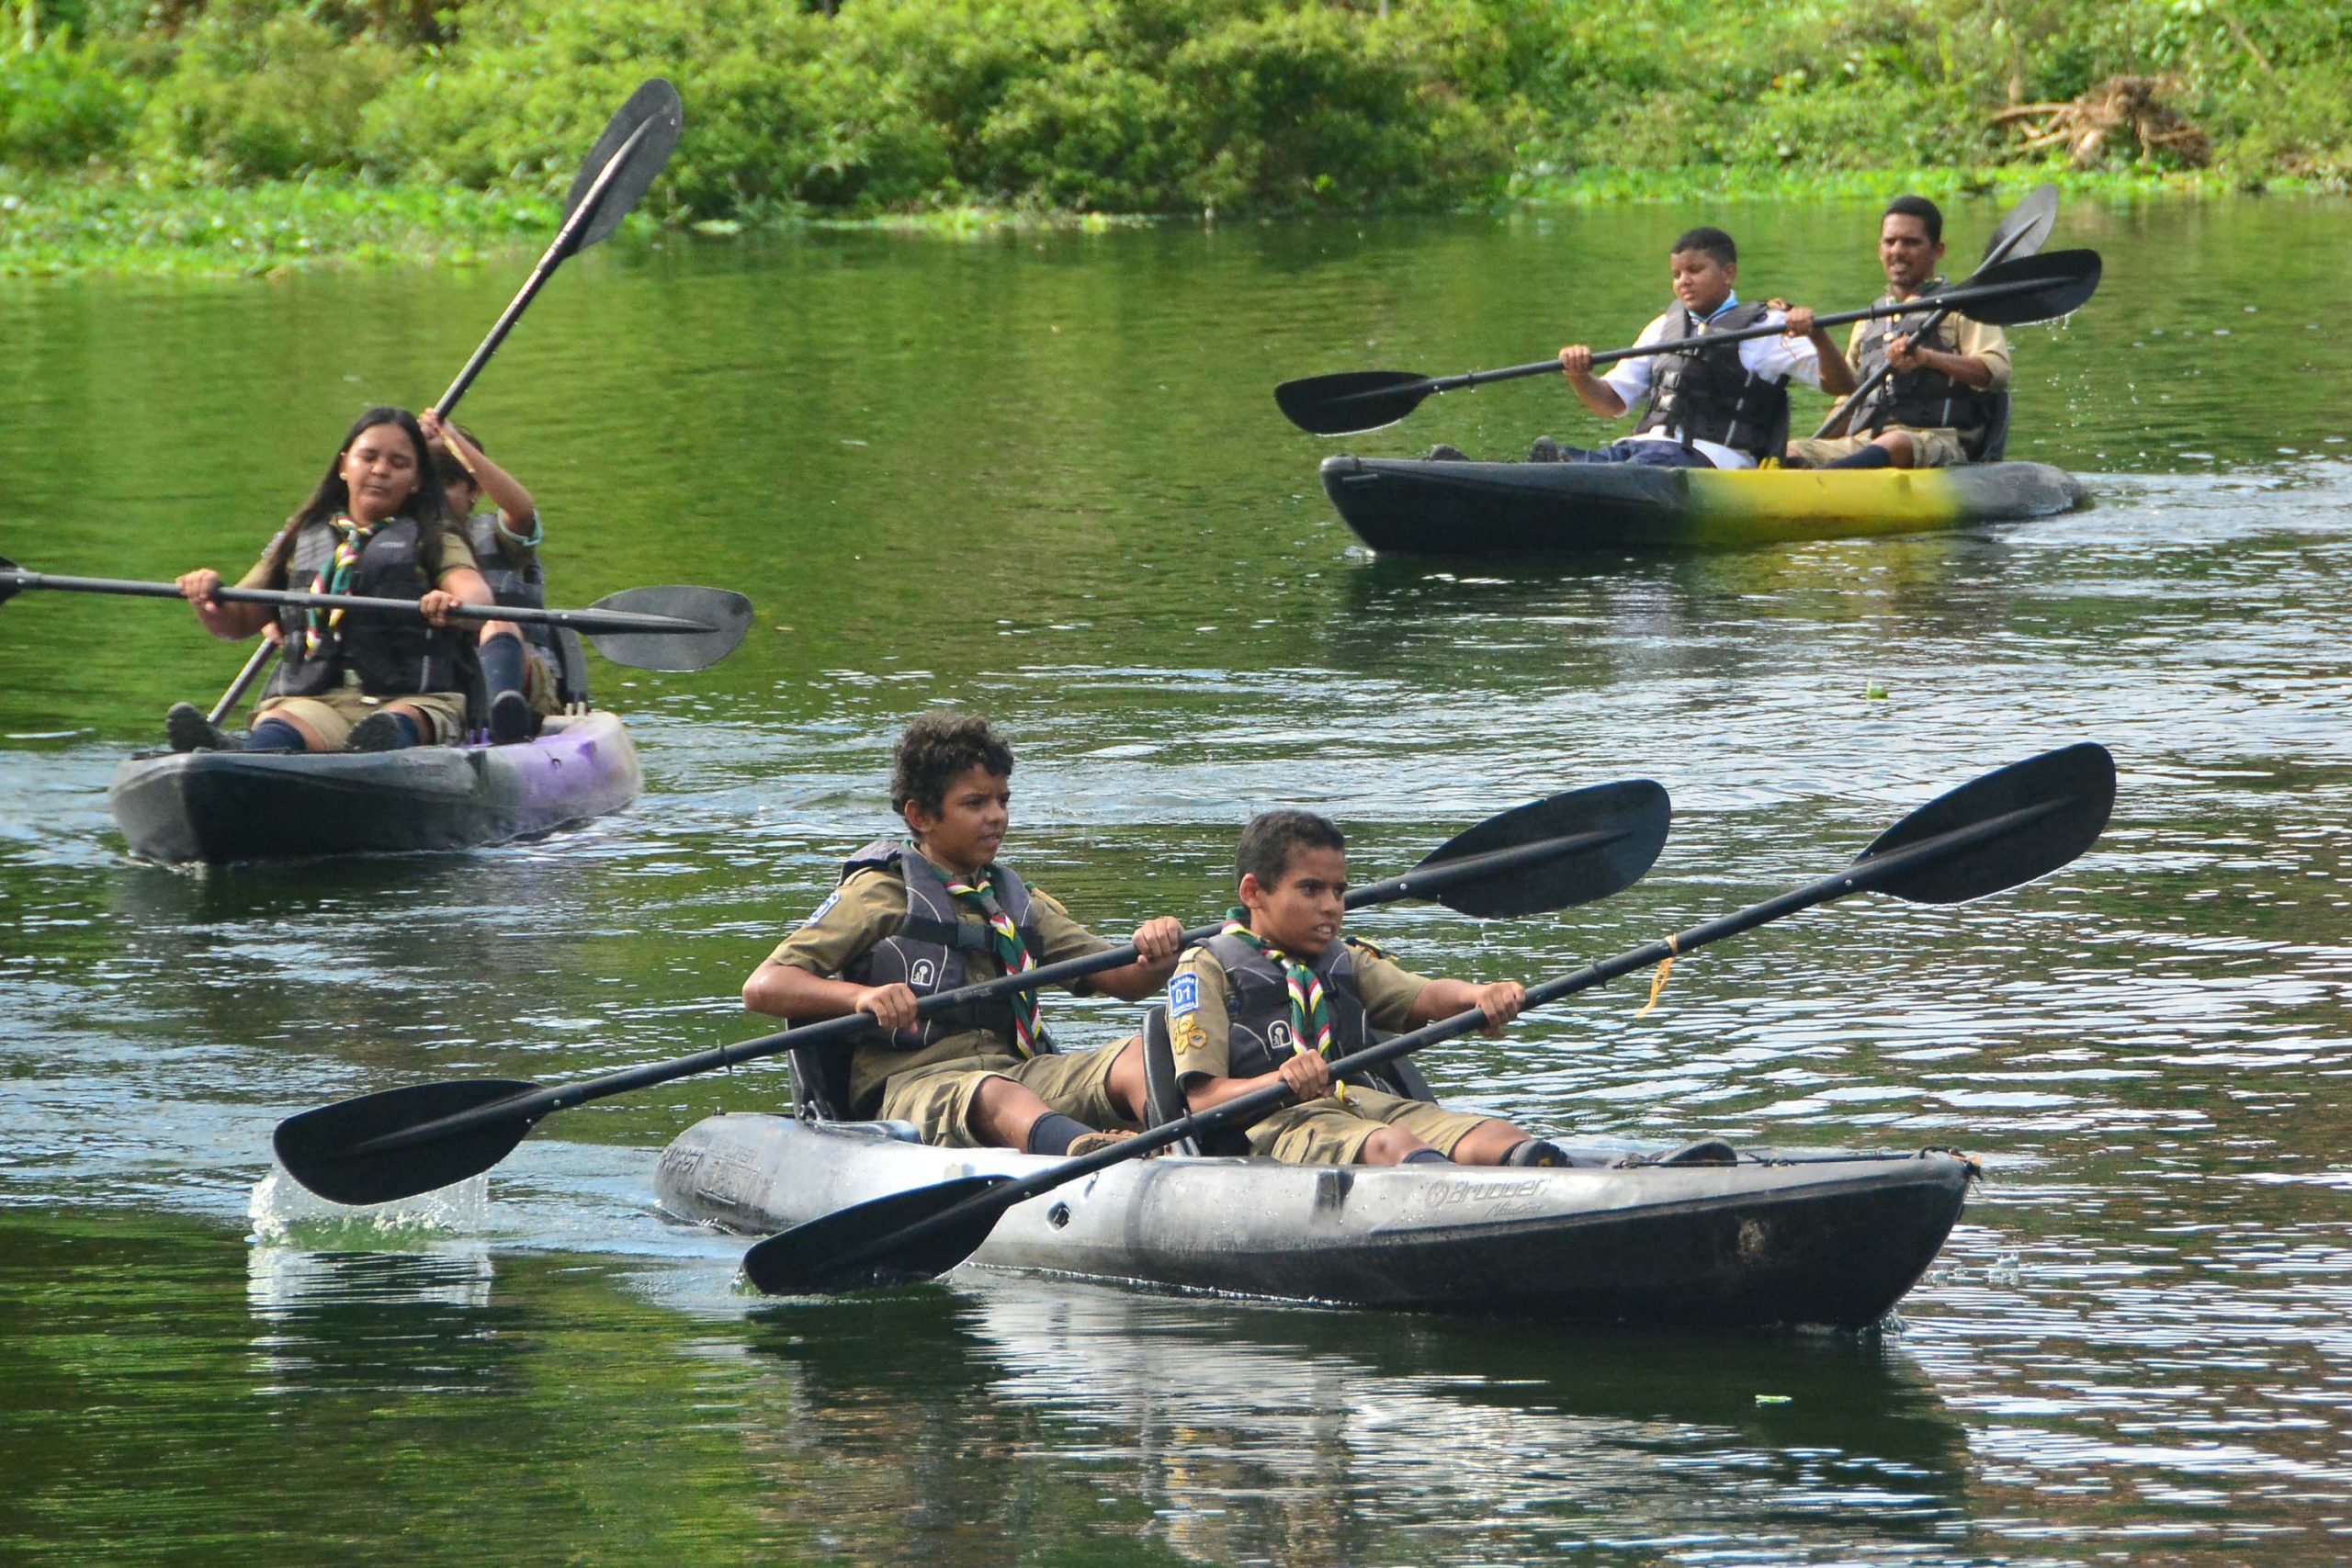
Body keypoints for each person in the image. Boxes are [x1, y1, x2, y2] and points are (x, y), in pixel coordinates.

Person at [741, 712, 1184, 1156]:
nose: (996, 817)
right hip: (912, 1090)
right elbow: (764, 986)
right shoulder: (878, 893)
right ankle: (1090, 1152)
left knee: (1135, 1059)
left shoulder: (1014, 900)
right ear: (920, 815)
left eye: (1003, 801)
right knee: (996, 1094)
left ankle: (1185, 1154)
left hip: (1017, 1074)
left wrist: (1157, 953)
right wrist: (860, 998)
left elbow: (1126, 982)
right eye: (975, 804)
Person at [1164, 809, 1567, 1168]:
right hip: (1281, 1125)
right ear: (1253, 892)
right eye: (1310, 889)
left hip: (1365, 1102)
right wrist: (1278, 1081)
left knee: (1498, 1136)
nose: (1331, 906)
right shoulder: (1206, 968)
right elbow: (1203, 1100)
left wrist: (1477, 995)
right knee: (1390, 1146)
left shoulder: (1344, 958)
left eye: (1338, 891)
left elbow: (1422, 995)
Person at [165, 407, 492, 753]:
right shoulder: (302, 535)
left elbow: (477, 598)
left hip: (414, 699)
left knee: (398, 720)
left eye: (399, 464)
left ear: (416, 481)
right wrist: (207, 600)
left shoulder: (437, 536)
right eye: (368, 457)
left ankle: (374, 750)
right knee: (282, 723)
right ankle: (241, 754)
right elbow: (237, 621)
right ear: (343, 467)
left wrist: (453, 606)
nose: (380, 470)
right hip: (317, 700)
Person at [1427, 227, 1851, 469]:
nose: (1683, 281)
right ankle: (1479, 475)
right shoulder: (1663, 328)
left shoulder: (1767, 327)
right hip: (1644, 450)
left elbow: (1841, 384)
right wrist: (1580, 376)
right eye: (1676, 273)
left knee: (1614, 469)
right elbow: (1611, 404)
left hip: (1712, 464)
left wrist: (1816, 334)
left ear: (1728, 273)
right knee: (1595, 459)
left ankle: (1553, 478)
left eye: (1695, 270)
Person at [1783, 195, 2013, 469]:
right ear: (1879, 248)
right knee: (1792, 448)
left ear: (1938, 251)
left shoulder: (1963, 308)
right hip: (1869, 441)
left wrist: (1928, 358)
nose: (1897, 251)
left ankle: (1834, 479)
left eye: (1911, 242)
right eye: (1889, 242)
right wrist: (1809, 451)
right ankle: (1819, 478)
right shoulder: (1869, 320)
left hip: (1939, 441)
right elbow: (1849, 397)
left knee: (1896, 443)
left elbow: (1996, 372)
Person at [420, 410, 553, 744]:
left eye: (446, 485)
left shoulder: (497, 534)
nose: (434, 497)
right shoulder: (401, 543)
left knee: (497, 624)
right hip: (438, 683)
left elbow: (521, 509)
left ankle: (502, 721)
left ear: (473, 489)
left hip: (521, 679)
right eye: (425, 486)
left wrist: (452, 438)